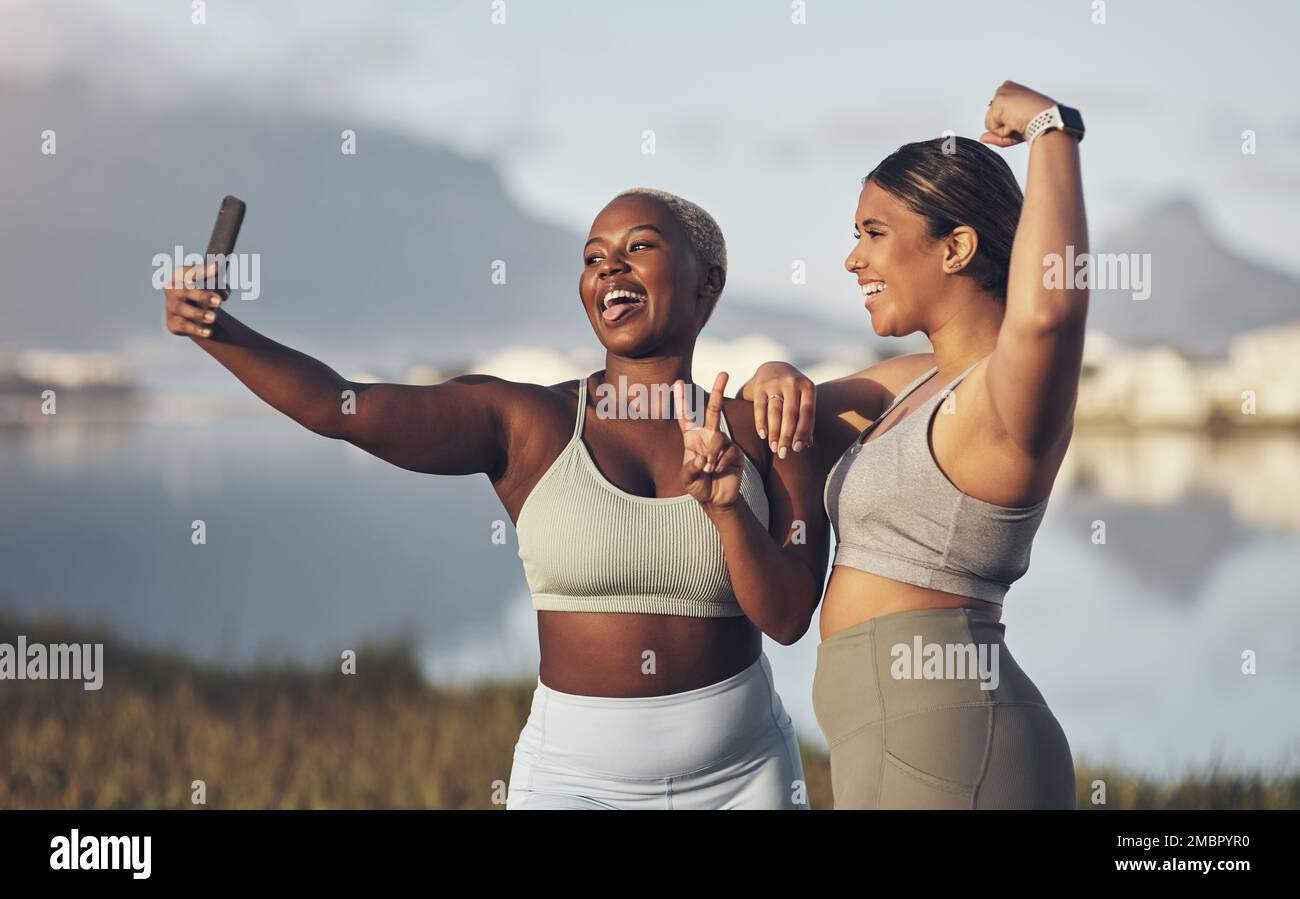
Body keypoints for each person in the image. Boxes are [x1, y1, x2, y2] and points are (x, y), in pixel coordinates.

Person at [161, 187, 828, 809]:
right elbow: (346, 408)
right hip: (572, 784)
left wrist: (728, 508)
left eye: (639, 247)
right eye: (593, 257)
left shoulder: (767, 426)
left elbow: (791, 616)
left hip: (744, 780)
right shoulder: (526, 422)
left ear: (707, 282)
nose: (609, 268)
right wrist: (219, 332)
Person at [732, 81, 1085, 808]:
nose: (851, 260)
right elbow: (772, 420)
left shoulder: (1007, 397)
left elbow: (1047, 310)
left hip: (955, 745)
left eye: (873, 233)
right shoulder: (915, 384)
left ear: (956, 246)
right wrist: (776, 371)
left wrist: (1052, 130)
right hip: (903, 741)